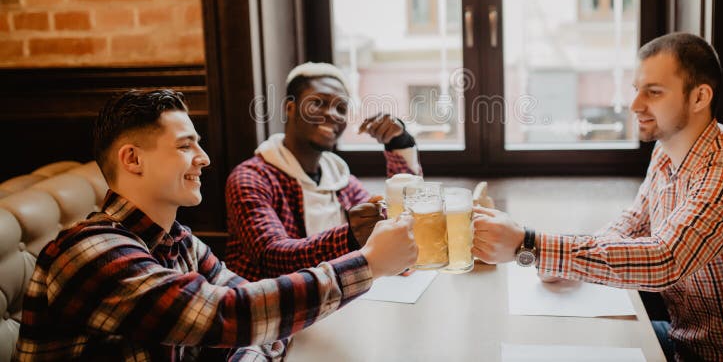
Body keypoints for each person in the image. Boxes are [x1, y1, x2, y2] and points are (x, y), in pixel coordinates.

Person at [14, 89, 417, 361]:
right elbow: (229, 314)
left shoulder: (180, 243)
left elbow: (253, 321)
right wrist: (368, 263)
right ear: (133, 160)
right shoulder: (89, 253)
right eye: (185, 145)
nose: (204, 158)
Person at [472, 33, 723, 362]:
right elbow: (634, 222)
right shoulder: (668, 149)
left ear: (699, 97)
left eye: (653, 92)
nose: (635, 105)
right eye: (636, 90)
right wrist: (562, 263)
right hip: (682, 341)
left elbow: (665, 260)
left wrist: (530, 245)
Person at [225, 62, 422, 280]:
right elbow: (272, 258)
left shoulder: (340, 179)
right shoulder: (251, 178)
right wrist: (351, 236)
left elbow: (397, 223)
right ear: (289, 108)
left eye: (341, 108)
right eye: (318, 103)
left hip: (334, 303)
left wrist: (400, 143)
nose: (332, 114)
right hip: (268, 309)